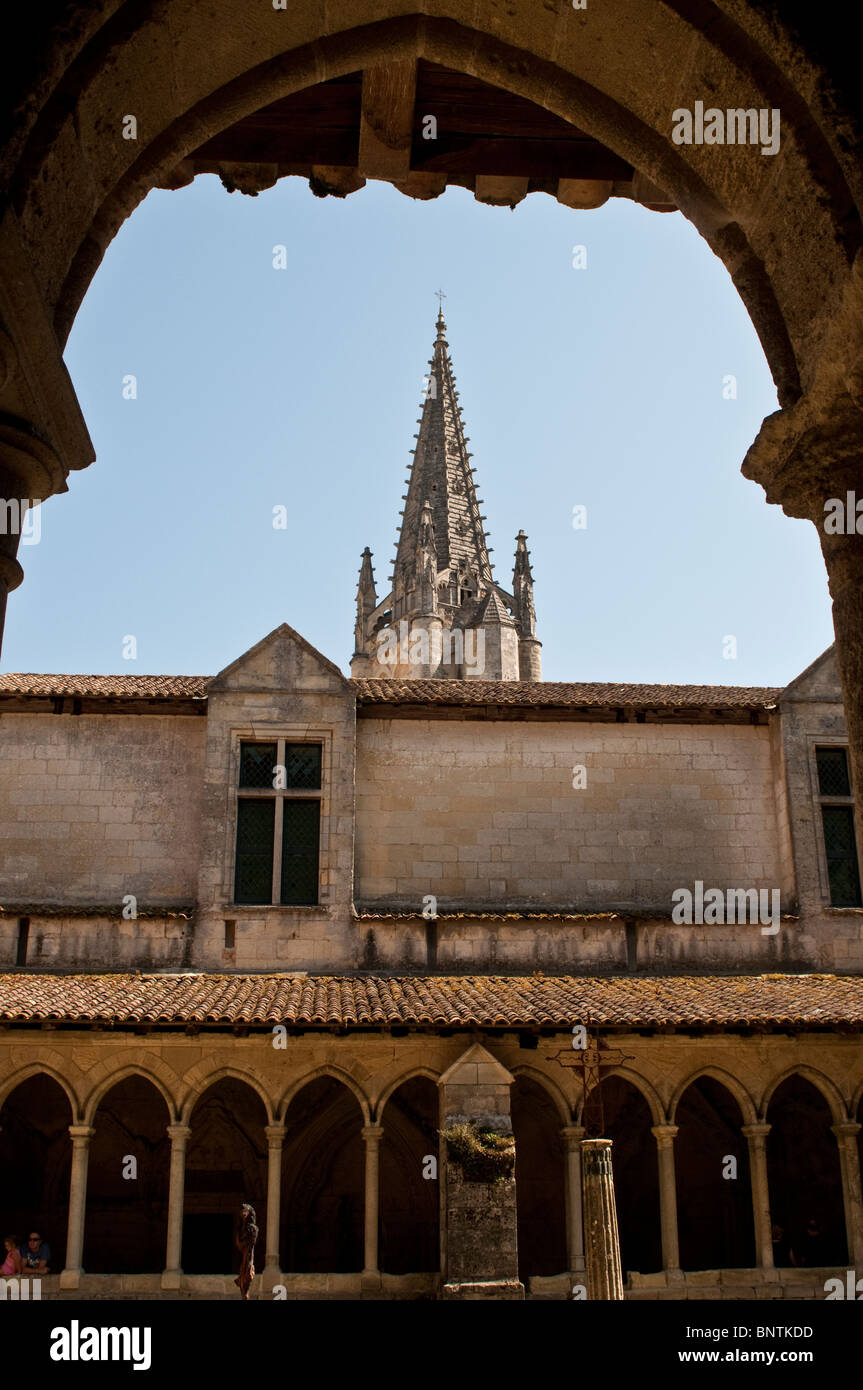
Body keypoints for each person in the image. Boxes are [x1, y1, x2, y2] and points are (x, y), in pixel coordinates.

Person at [234, 1203, 258, 1300]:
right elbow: (238, 1241)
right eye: (242, 1211)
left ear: (249, 1213)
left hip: (248, 1254)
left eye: (246, 1211)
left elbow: (251, 1243)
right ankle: (244, 1294)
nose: (244, 1213)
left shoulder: (252, 1228)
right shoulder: (240, 1228)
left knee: (247, 1274)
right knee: (241, 1277)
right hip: (241, 1252)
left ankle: (245, 1295)